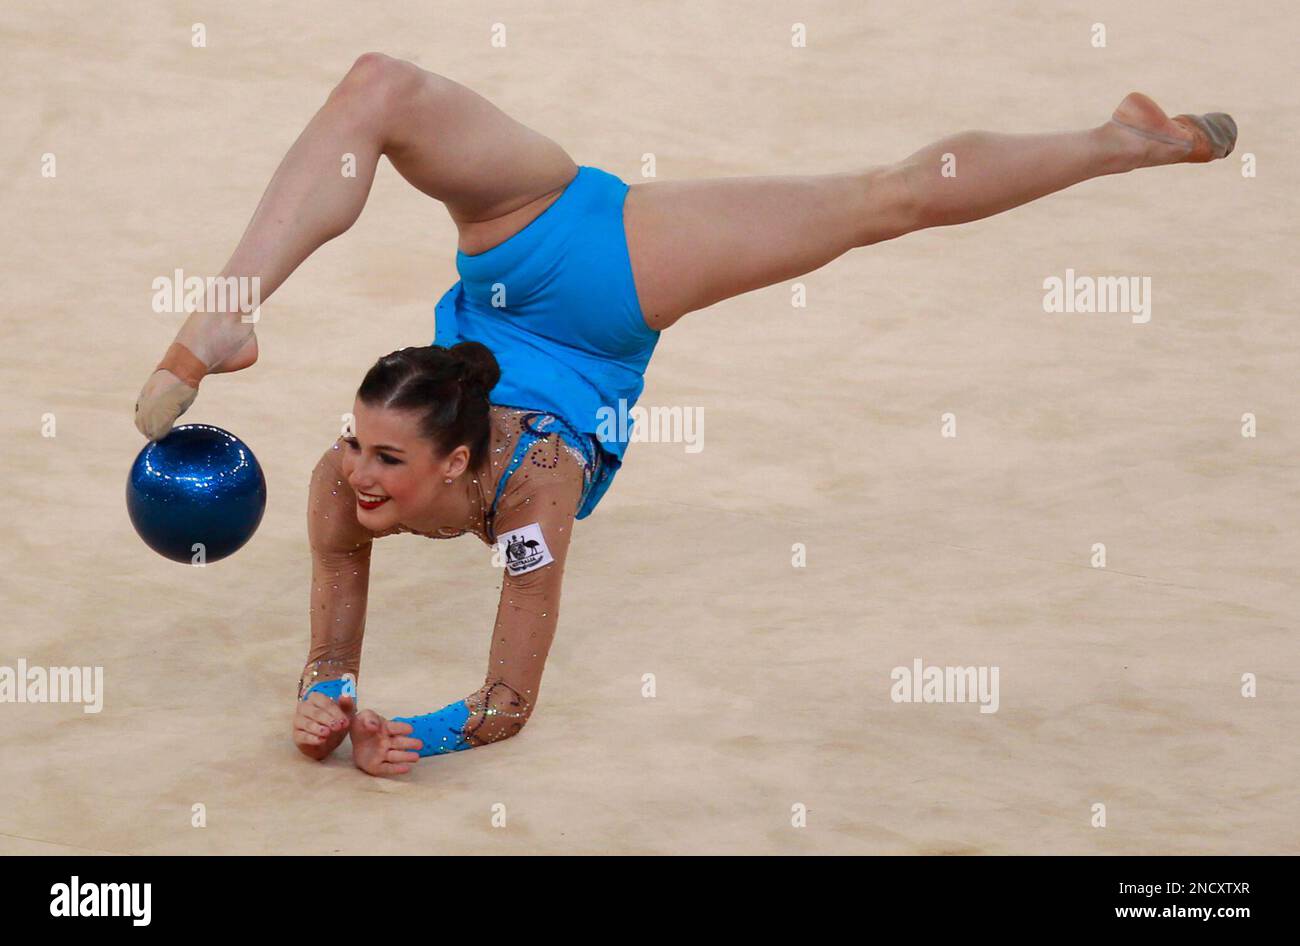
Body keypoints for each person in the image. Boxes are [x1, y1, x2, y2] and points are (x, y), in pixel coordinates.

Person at [132, 53, 1236, 776]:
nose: (354, 474)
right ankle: (226, 315)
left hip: (576, 272)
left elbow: (506, 703)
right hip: (554, 312)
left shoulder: (532, 493)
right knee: (374, 84)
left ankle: (1129, 140)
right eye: (354, 444)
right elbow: (368, 641)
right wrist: (329, 701)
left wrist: (412, 734)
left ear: (456, 461)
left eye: (382, 456)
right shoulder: (363, 479)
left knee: (884, 199)